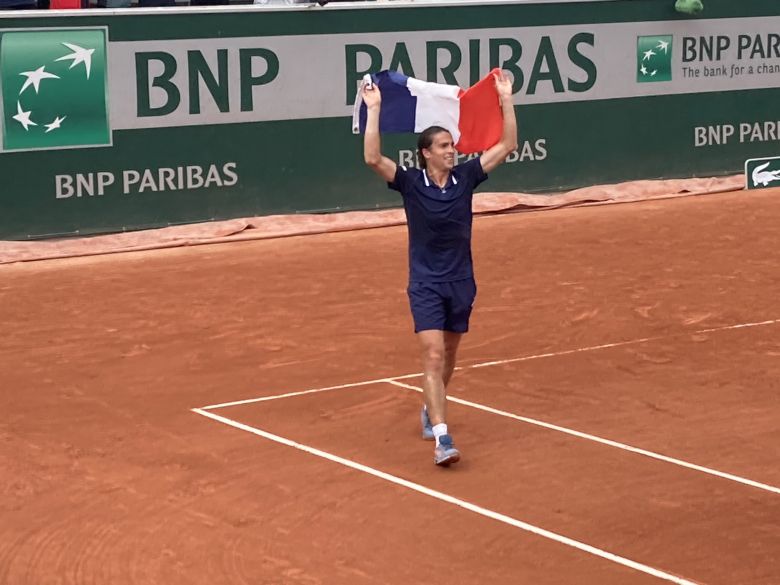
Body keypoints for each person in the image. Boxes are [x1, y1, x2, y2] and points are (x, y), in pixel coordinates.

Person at [362, 70, 517, 467]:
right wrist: (374, 109)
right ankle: (443, 438)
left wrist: (506, 98)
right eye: (444, 146)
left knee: (448, 354)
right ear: (426, 153)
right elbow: (373, 158)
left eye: (452, 145)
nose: (453, 151)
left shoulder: (466, 177)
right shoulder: (411, 183)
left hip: (462, 282)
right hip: (426, 284)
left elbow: (508, 145)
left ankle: (430, 407)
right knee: (432, 355)